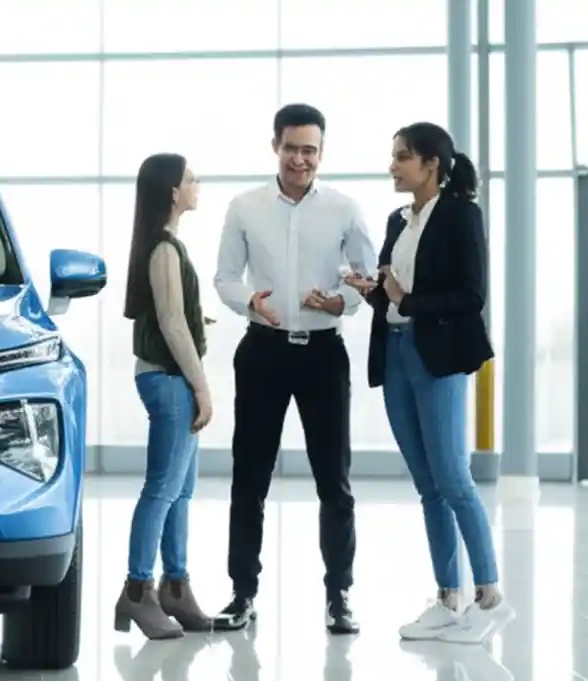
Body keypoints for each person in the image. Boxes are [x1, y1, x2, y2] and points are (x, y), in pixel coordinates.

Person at [344, 121, 514, 644]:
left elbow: (471, 294)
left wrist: (404, 298)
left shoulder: (462, 216)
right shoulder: (399, 220)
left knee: (453, 478)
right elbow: (392, 290)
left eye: (402, 156)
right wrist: (370, 289)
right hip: (395, 355)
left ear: (432, 165)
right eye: (393, 155)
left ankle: (489, 597)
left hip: (436, 355)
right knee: (428, 485)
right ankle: (448, 597)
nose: (393, 165)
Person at [212, 104, 376, 634]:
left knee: (335, 481)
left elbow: (367, 278)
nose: (300, 159)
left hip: (324, 355)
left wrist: (340, 304)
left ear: (321, 152)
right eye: (291, 148)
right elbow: (224, 278)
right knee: (249, 478)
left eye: (310, 150)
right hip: (263, 351)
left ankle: (340, 595)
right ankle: (242, 593)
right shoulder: (245, 207)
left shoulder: (346, 209)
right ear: (275, 147)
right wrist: (248, 303)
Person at [113, 153, 214, 640]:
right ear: (173, 192)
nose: (197, 185)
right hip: (170, 382)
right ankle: (137, 591)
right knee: (161, 489)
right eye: (191, 179)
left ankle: (176, 586)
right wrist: (201, 385)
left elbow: (174, 317)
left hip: (172, 378)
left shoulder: (169, 247)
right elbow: (173, 325)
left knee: (180, 491)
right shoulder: (164, 251)